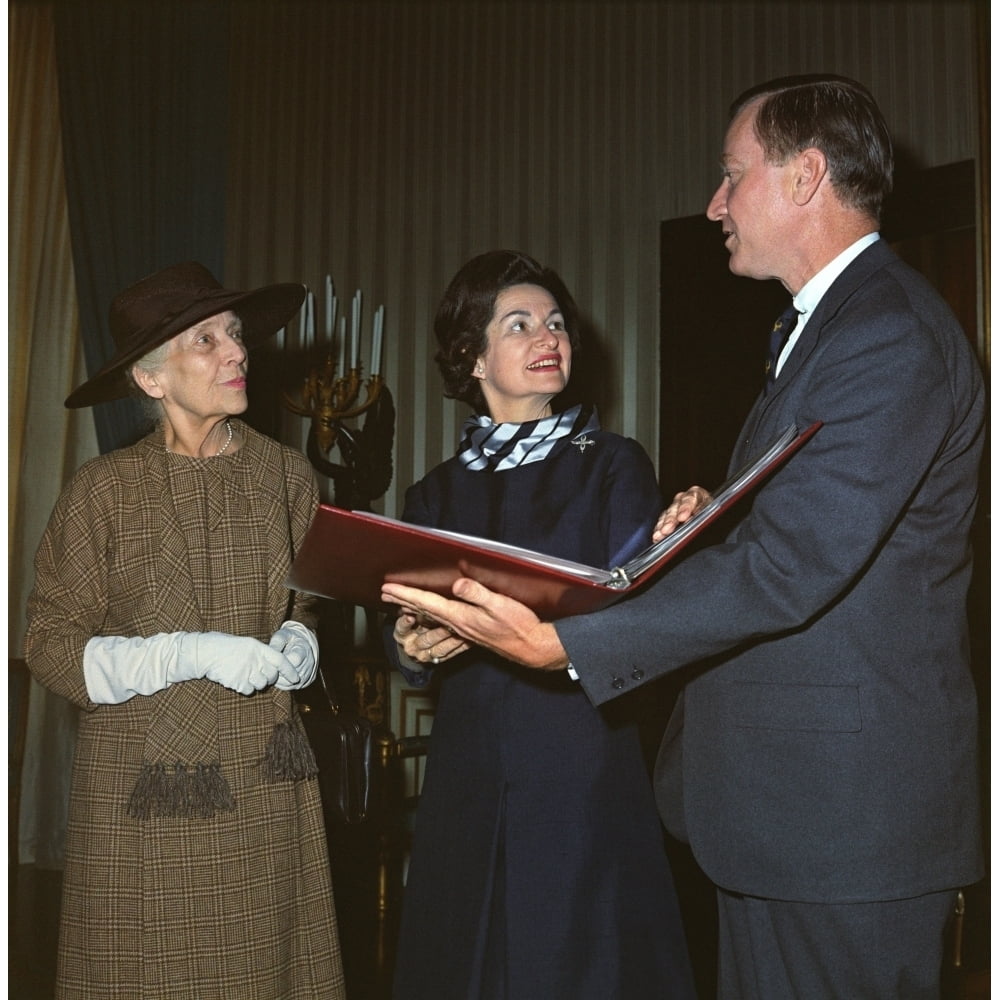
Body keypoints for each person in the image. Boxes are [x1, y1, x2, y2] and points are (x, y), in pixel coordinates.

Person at [381, 76, 986, 1000]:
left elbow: (791, 564)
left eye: (730, 175)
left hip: (839, 818)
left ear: (804, 177)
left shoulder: (884, 333)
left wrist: (563, 640)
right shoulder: (835, 329)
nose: (714, 204)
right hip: (789, 814)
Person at [25, 262, 346, 999]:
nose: (236, 352)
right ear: (151, 379)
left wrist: (303, 637)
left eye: (235, 334)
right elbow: (48, 642)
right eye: (206, 339)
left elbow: (307, 598)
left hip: (267, 792)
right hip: (142, 798)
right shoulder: (101, 490)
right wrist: (177, 655)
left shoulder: (286, 476)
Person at [385, 250, 696, 999]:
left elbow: (632, 611)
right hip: (466, 777)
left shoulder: (613, 464)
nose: (546, 335)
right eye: (518, 324)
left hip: (579, 767)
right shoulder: (432, 495)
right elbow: (409, 649)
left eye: (554, 322)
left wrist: (668, 552)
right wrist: (413, 647)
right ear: (473, 357)